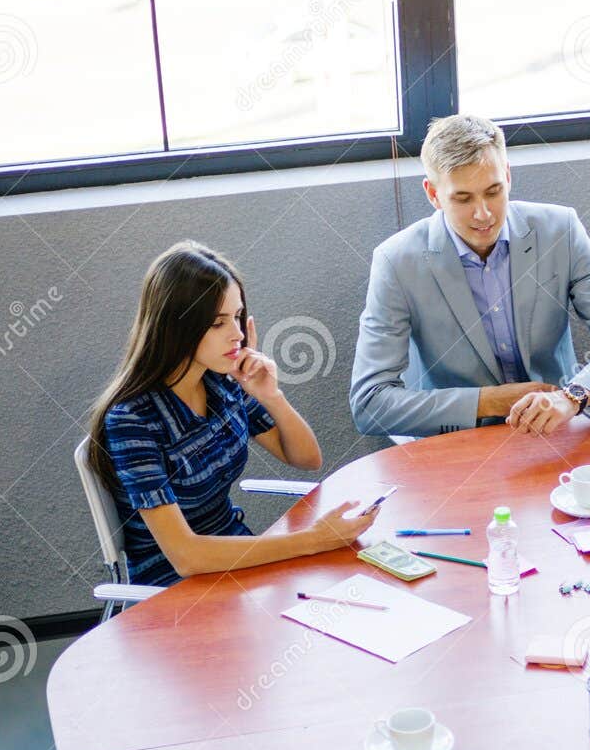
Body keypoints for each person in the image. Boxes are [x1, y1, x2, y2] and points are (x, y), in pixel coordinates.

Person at [350, 113, 590, 439]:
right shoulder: (396, 262)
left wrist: (573, 397)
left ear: (508, 176)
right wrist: (489, 402)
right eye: (463, 198)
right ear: (433, 194)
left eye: (493, 191)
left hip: (560, 419)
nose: (483, 214)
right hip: (460, 439)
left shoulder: (560, 230)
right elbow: (370, 404)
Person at [87, 242, 377, 586]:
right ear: (177, 327)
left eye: (238, 317)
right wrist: (313, 540)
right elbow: (186, 557)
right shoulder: (132, 420)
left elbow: (306, 458)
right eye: (218, 323)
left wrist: (271, 396)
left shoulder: (222, 383)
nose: (237, 334)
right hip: (175, 589)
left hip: (240, 561)